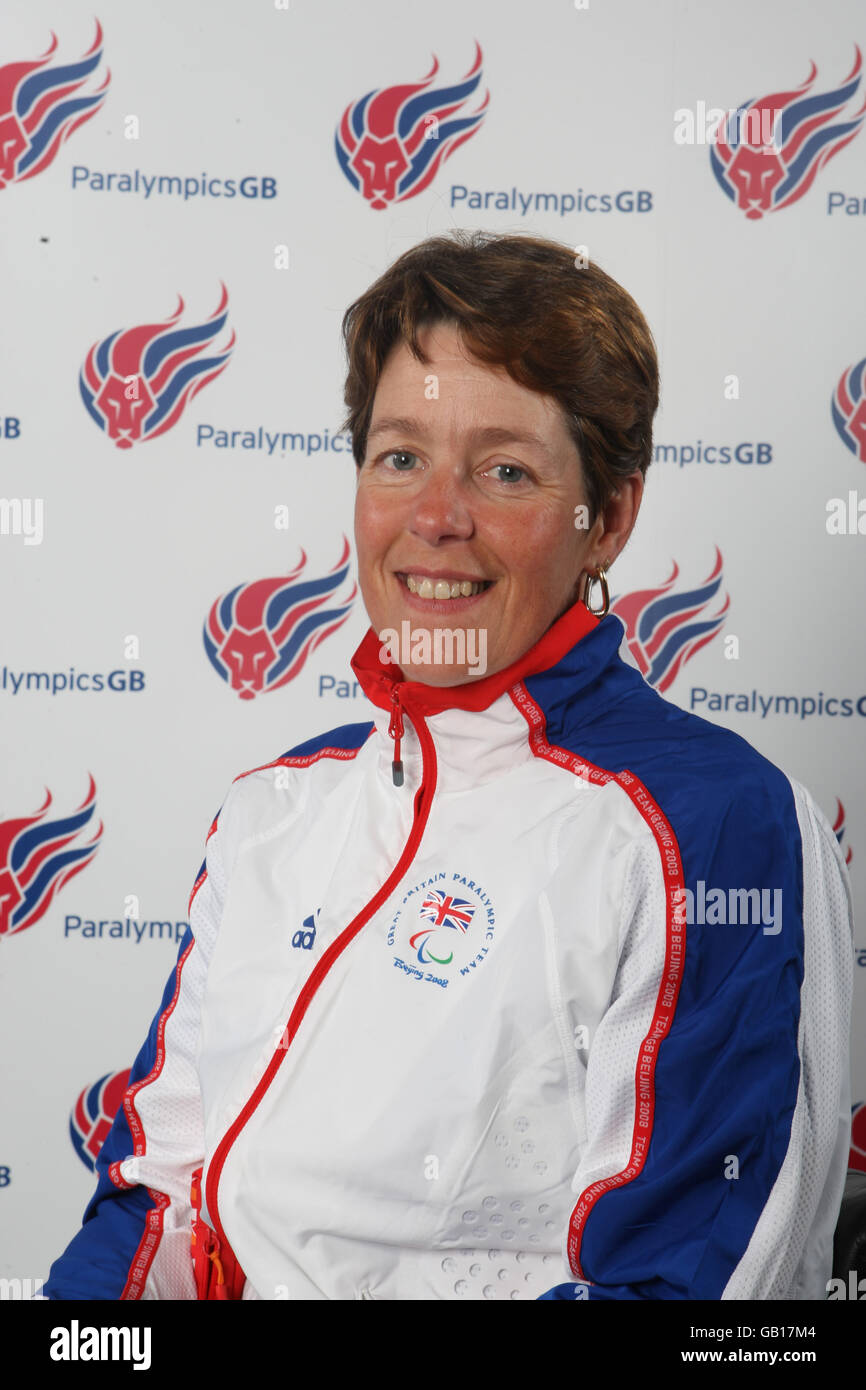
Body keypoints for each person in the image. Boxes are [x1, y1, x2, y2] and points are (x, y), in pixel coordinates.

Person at [44, 230, 853, 1301]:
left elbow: (682, 1292)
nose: (434, 518)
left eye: (504, 469)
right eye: (400, 457)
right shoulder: (276, 807)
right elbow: (156, 1188)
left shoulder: (711, 824)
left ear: (604, 518)